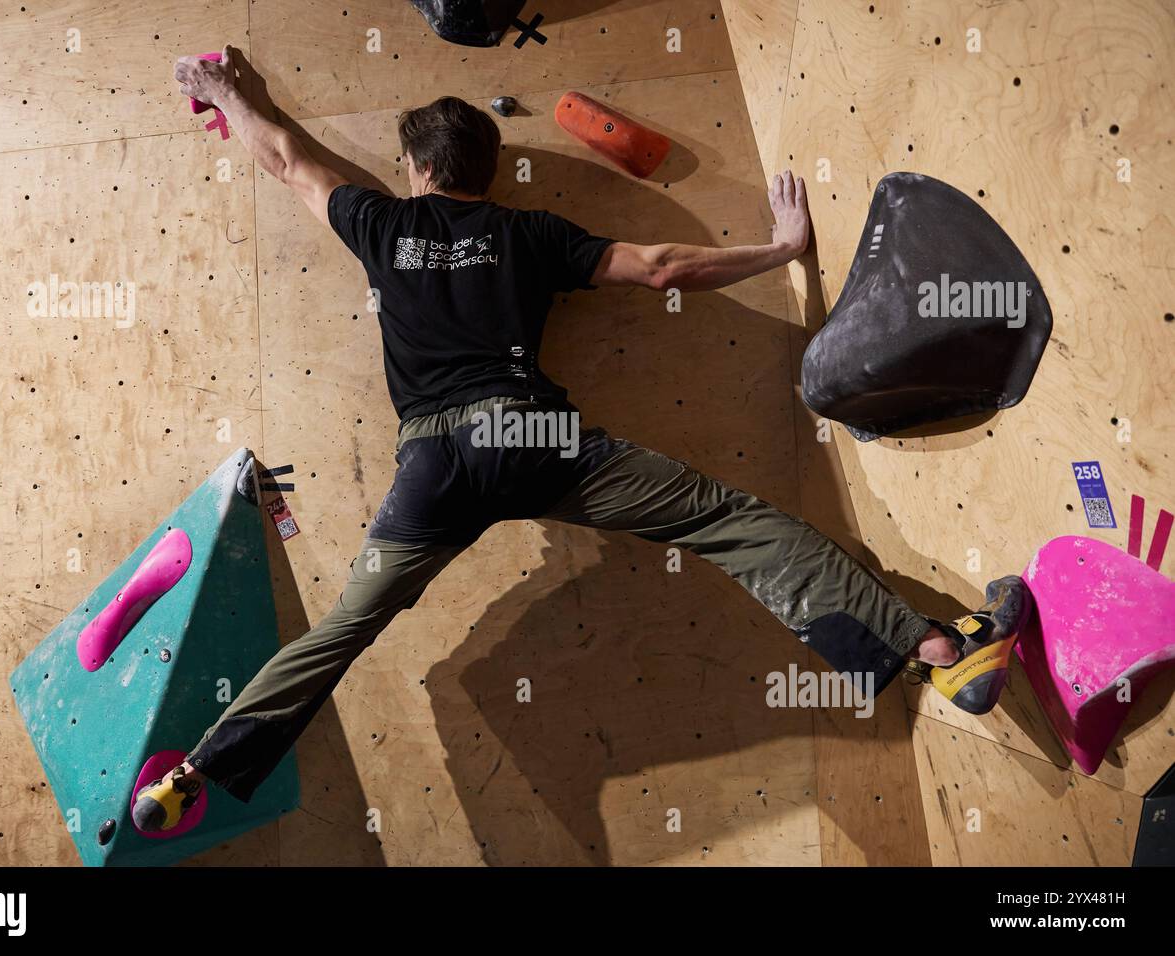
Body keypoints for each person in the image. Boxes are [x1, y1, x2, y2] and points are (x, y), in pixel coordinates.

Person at [135, 48, 1028, 832]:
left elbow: (290, 161)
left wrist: (225, 92)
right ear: (488, 171)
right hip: (538, 439)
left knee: (347, 625)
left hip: (433, 468)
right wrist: (780, 247)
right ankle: (936, 651)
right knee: (725, 522)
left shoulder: (384, 226)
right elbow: (662, 267)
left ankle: (194, 775)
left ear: (412, 168)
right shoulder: (529, 232)